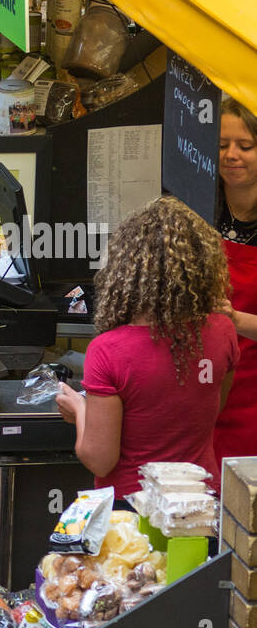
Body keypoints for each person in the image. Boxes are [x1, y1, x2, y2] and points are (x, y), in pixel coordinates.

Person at [55, 197, 238, 498]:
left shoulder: (107, 351)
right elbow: (209, 410)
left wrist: (80, 408)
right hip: (201, 506)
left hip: (133, 512)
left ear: (126, 270)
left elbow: (100, 460)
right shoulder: (223, 331)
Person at [215, 97, 257, 462]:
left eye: (245, 146)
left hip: (252, 400)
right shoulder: (199, 205)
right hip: (199, 388)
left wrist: (235, 320)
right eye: (222, 144)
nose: (231, 155)